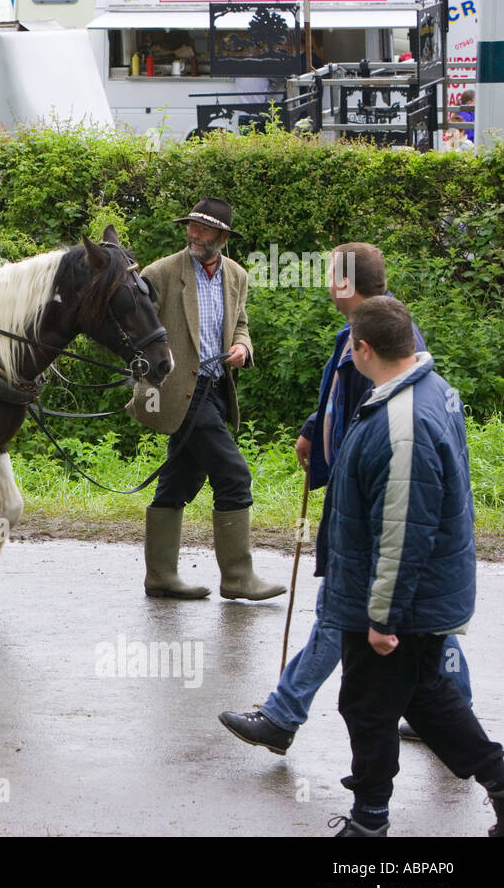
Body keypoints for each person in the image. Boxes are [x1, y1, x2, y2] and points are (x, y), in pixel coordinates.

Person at [218, 244, 471, 754]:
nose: (323, 279)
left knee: (341, 611)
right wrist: (315, 428)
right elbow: (345, 399)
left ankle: (283, 715)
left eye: (330, 273)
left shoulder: (379, 335)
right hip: (362, 494)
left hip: (371, 502)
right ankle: (450, 708)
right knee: (426, 626)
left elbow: (377, 418)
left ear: (345, 283)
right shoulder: (362, 330)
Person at [321, 297, 504, 837]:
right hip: (418, 597)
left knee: (368, 708)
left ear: (364, 349)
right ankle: (501, 781)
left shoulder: (404, 421)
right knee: (426, 697)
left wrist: (382, 619)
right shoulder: (428, 388)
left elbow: (403, 533)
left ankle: (369, 821)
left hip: (399, 602)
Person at [129, 197, 285, 602]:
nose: (194, 234)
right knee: (234, 476)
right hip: (177, 389)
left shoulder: (237, 276)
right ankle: (238, 577)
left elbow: (242, 326)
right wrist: (144, 381)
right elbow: (135, 331)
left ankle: (161, 577)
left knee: (178, 481)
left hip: (215, 391)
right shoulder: (160, 273)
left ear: (223, 236)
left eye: (204, 229)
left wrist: (242, 348)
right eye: (191, 226)